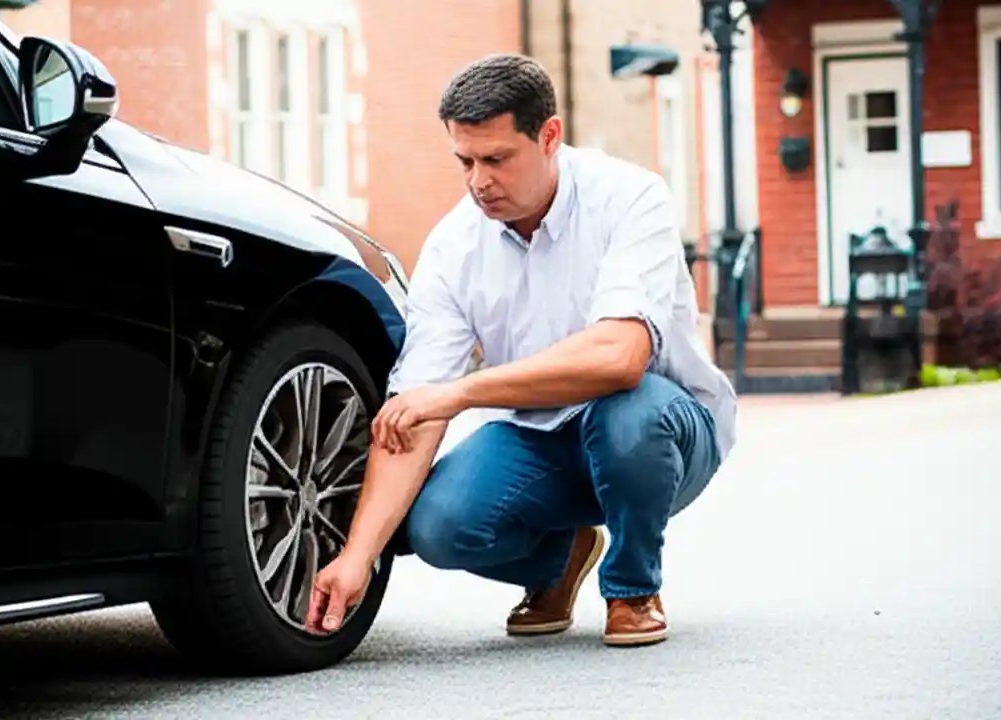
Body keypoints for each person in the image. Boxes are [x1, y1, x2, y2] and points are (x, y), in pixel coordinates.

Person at [305, 53, 737, 647]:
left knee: (624, 413)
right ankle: (560, 561)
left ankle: (633, 587)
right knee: (437, 527)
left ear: (549, 136)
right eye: (465, 161)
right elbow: (415, 413)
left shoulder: (631, 198)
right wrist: (357, 559)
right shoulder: (455, 245)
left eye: (497, 160)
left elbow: (618, 358)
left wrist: (460, 392)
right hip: (542, 438)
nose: (478, 181)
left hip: (663, 432)